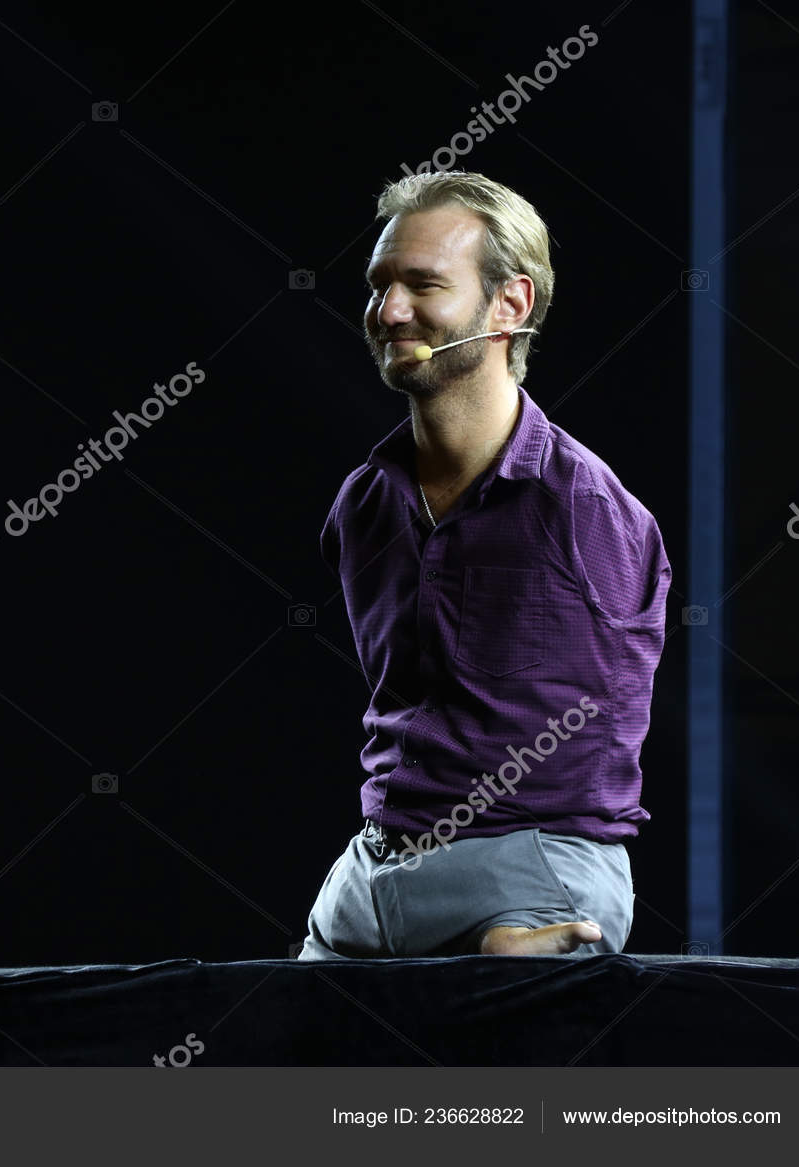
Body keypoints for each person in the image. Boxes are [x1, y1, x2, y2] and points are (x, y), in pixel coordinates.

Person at [297, 171, 671, 960]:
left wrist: (523, 923)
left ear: (511, 306)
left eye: (422, 285)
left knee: (485, 1066)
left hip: (530, 866)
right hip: (370, 873)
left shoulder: (587, 510)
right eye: (380, 285)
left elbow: (611, 726)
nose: (389, 311)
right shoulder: (363, 505)